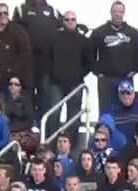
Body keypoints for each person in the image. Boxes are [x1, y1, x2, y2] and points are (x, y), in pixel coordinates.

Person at [91, 1, 138, 111]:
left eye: (120, 11)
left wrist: (135, 70)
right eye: (115, 11)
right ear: (111, 12)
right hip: (106, 80)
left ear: (123, 13)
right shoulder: (99, 32)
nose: (118, 14)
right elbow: (89, 53)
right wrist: (97, 72)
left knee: (125, 109)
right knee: (106, 110)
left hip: (125, 78)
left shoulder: (132, 32)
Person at [48, 11, 92, 142]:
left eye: (73, 19)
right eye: (67, 20)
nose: (70, 22)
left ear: (76, 21)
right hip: (56, 83)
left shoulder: (83, 40)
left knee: (74, 116)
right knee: (54, 114)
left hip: (75, 83)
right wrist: (53, 73)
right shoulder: (54, 38)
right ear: (63, 21)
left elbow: (89, 62)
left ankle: (71, 145)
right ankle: (51, 143)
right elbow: (48, 59)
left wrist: (79, 74)